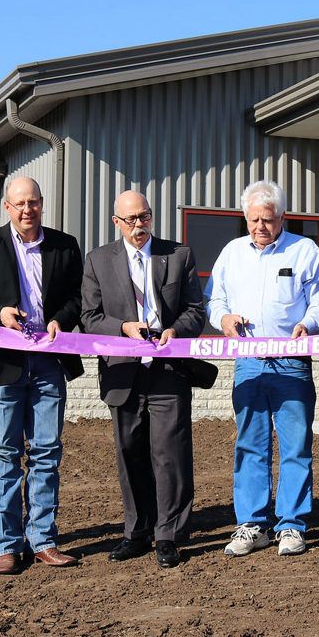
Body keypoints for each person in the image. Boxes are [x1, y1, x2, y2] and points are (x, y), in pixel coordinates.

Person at [0, 177, 85, 575]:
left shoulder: (65, 245)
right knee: (6, 455)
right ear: (7, 208)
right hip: (4, 363)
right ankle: (6, 546)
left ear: (42, 205)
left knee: (46, 453)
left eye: (34, 203)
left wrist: (62, 318)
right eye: (20, 204)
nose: (28, 209)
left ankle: (43, 540)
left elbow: (79, 295)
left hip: (49, 363)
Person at [205, 180, 319, 558]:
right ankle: (252, 524)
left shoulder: (305, 250)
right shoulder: (231, 253)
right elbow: (215, 298)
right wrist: (223, 318)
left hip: (292, 363)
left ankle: (291, 525)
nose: (261, 227)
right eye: (254, 220)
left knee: (295, 446)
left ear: (282, 217)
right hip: (248, 364)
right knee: (250, 445)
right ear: (245, 217)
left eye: (269, 219)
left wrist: (308, 324)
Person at [81, 190, 206, 569]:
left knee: (170, 456)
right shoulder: (98, 260)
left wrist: (175, 331)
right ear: (116, 222)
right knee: (131, 454)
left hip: (168, 371)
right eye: (132, 219)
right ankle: (137, 531)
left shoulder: (178, 254)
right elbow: (88, 318)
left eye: (145, 217)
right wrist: (122, 328)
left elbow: (196, 311)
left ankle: (168, 535)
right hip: (122, 371)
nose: (139, 226)